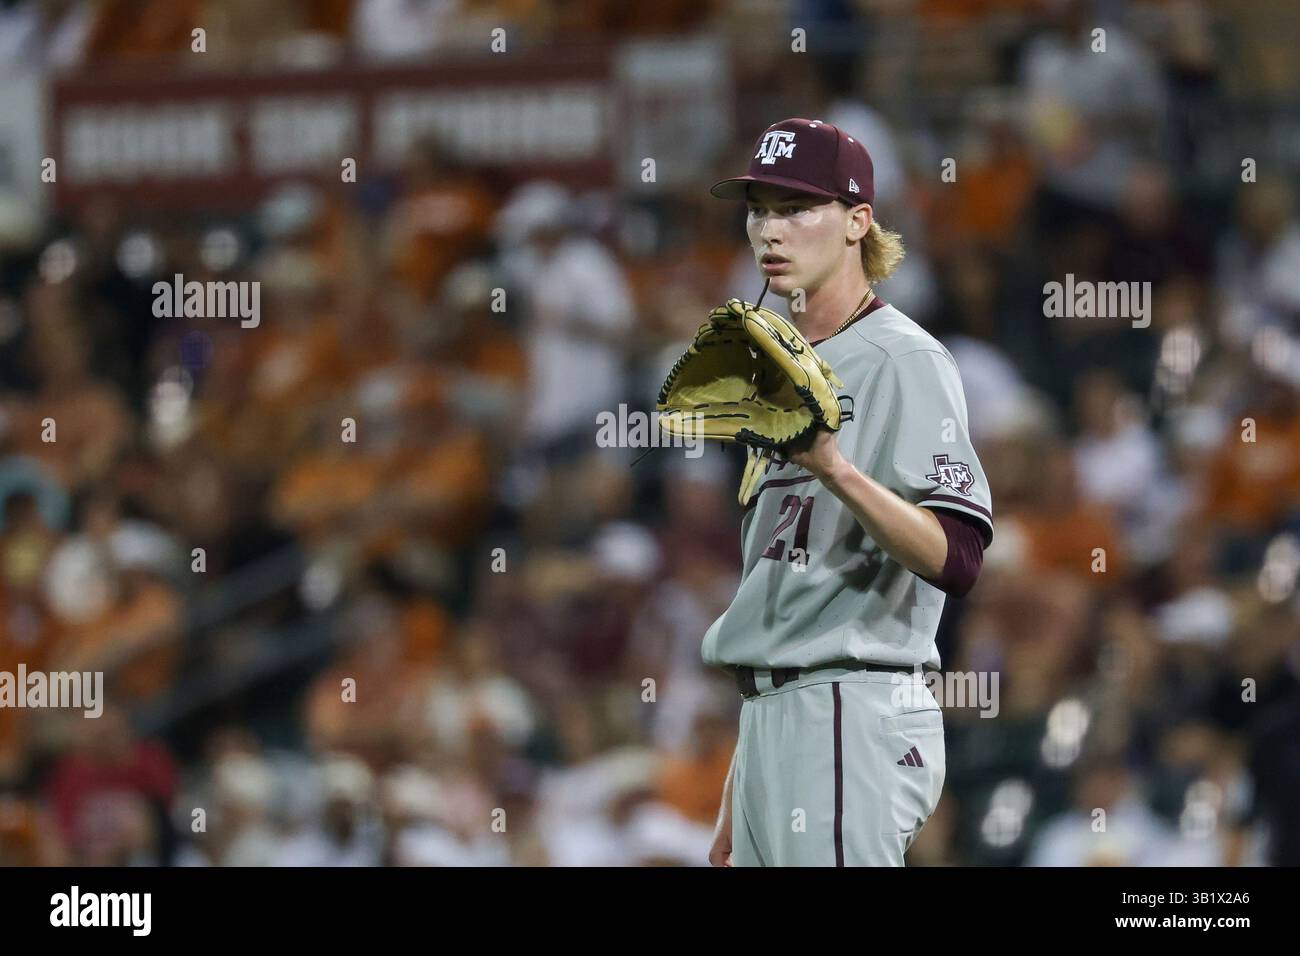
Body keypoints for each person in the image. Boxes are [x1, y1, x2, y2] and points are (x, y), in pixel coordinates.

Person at [700, 118, 994, 866]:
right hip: (779, 715)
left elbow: (957, 557)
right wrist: (747, 772)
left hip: (850, 706)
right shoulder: (777, 369)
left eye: (798, 207)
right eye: (760, 208)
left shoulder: (904, 359)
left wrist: (836, 468)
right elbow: (779, 588)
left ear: (858, 221)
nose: (772, 228)